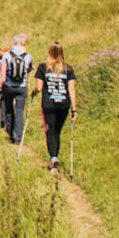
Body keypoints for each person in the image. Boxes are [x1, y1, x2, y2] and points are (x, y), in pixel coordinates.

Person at [33, 40, 77, 171]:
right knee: (57, 131)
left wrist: (33, 92)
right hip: (64, 104)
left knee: (50, 131)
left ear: (49, 52)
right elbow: (72, 89)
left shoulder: (43, 67)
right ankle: (55, 156)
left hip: (49, 104)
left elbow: (39, 87)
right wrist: (74, 109)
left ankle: (53, 158)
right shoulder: (68, 69)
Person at [1, 33, 34, 145]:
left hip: (9, 86)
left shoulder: (6, 55)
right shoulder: (28, 56)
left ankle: (10, 133)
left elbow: (3, 73)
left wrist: (1, 86)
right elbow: (29, 69)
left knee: (9, 110)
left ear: (13, 43)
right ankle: (18, 138)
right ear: (23, 43)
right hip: (21, 86)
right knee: (20, 111)